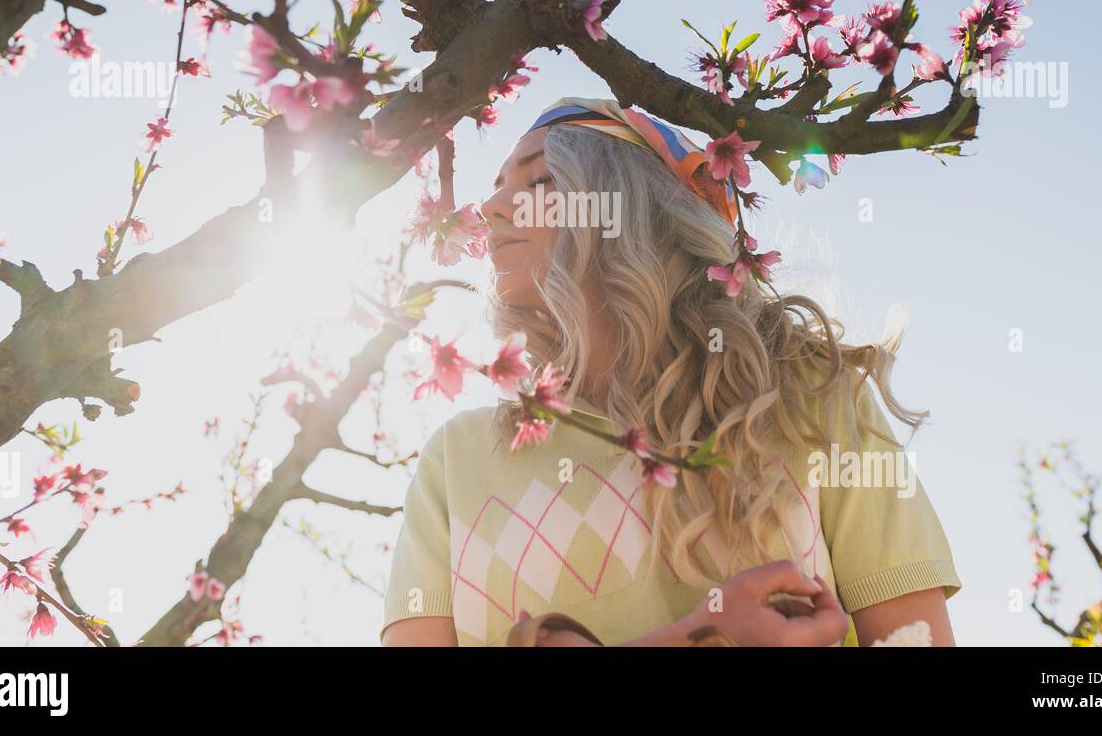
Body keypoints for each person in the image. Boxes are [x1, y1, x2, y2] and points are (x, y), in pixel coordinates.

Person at [380, 98, 961, 646]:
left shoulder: (817, 397)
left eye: (539, 180)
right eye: (497, 185)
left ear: (626, 206)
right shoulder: (457, 461)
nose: (489, 207)